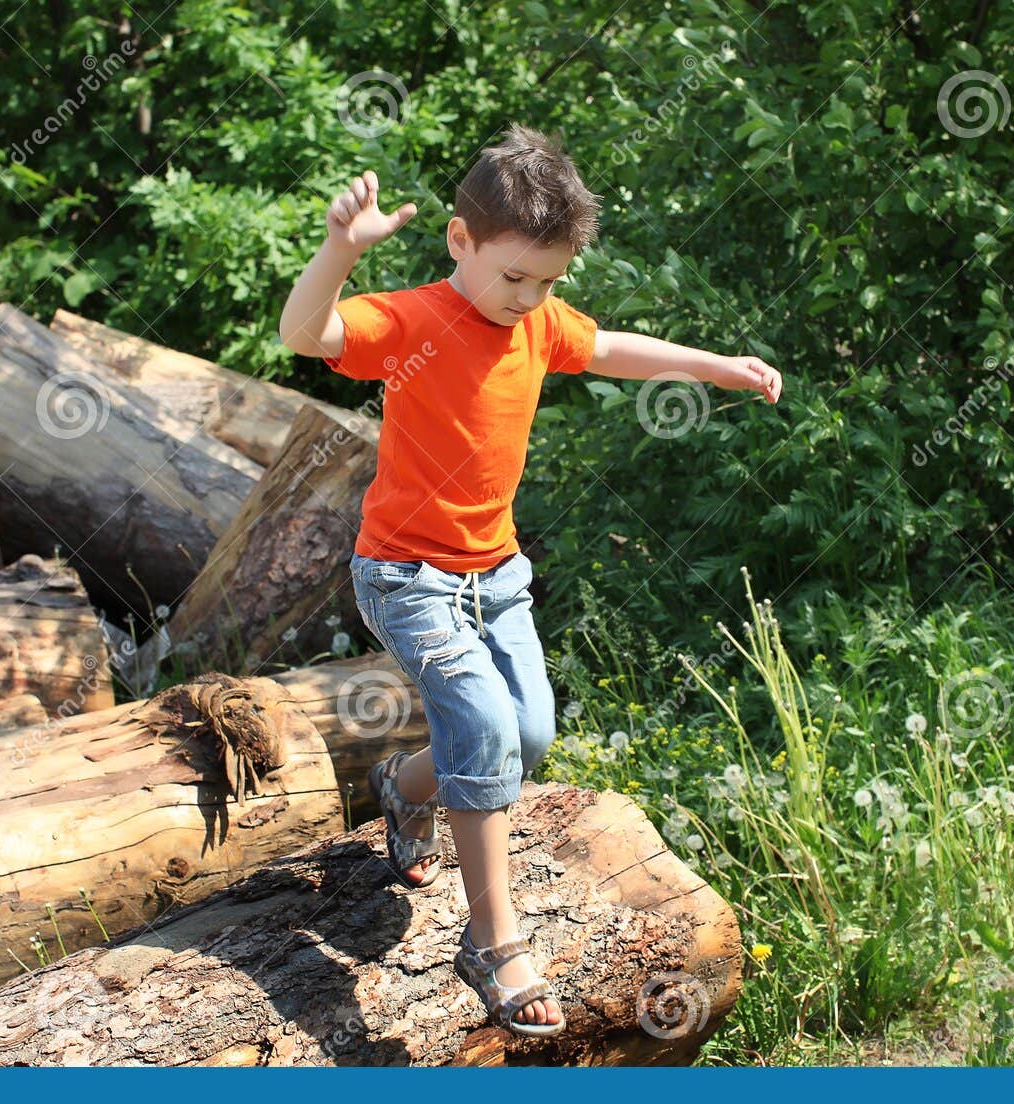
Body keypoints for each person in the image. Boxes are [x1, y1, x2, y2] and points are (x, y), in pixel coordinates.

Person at [278, 122, 782, 1038]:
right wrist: (337, 252)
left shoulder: (537, 321)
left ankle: (405, 787)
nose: (529, 299)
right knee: (482, 724)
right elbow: (304, 332)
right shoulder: (416, 320)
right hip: (407, 576)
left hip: (497, 578)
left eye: (547, 282)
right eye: (513, 277)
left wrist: (715, 367)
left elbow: (610, 349)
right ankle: (496, 940)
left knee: (530, 734)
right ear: (460, 241)